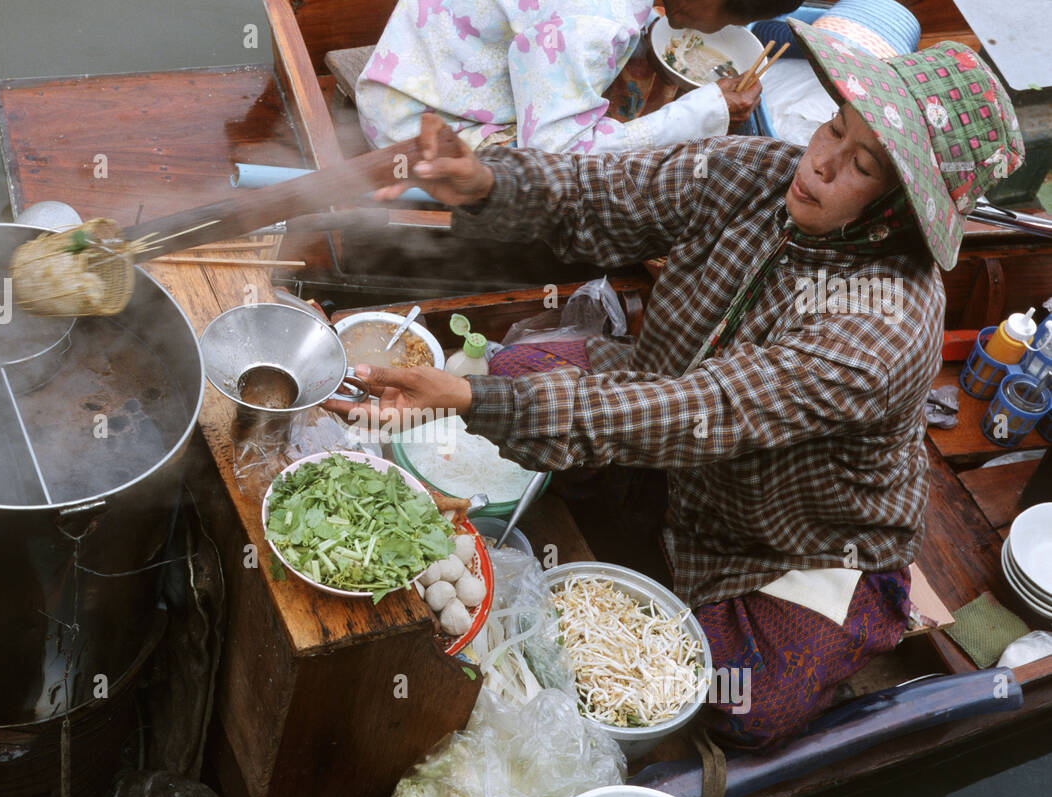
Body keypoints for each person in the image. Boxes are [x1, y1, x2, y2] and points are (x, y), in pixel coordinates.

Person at [328, 25, 1025, 749]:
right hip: (666, 410)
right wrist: (489, 183)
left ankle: (835, 600)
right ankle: (637, 508)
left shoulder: (883, 325)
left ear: (900, 210)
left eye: (861, 166)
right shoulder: (761, 173)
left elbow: (704, 410)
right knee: (512, 371)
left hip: (782, 534)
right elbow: (608, 192)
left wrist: (479, 403)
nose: (819, 162)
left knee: (741, 701)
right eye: (831, 128)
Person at [355, 0, 802, 155]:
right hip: (416, 118)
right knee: (630, 176)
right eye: (734, 15)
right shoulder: (596, 21)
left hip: (426, 59)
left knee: (648, 83)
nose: (718, 30)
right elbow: (553, 154)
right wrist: (702, 112)